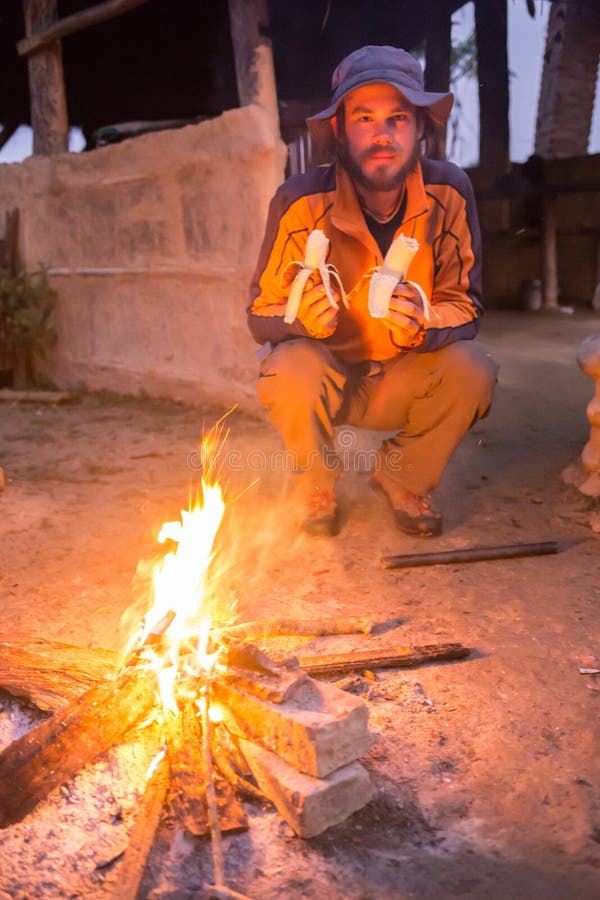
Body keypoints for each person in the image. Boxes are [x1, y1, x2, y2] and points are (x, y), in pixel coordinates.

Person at [247, 45, 498, 538]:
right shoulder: (299, 203)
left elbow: (466, 305)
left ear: (421, 126)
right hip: (329, 380)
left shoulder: (450, 193)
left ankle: (402, 478)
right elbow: (260, 313)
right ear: (339, 128)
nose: (383, 134)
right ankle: (316, 483)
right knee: (287, 366)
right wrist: (302, 320)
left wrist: (425, 326)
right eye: (364, 118)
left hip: (404, 376)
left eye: (398, 118)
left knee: (474, 368)